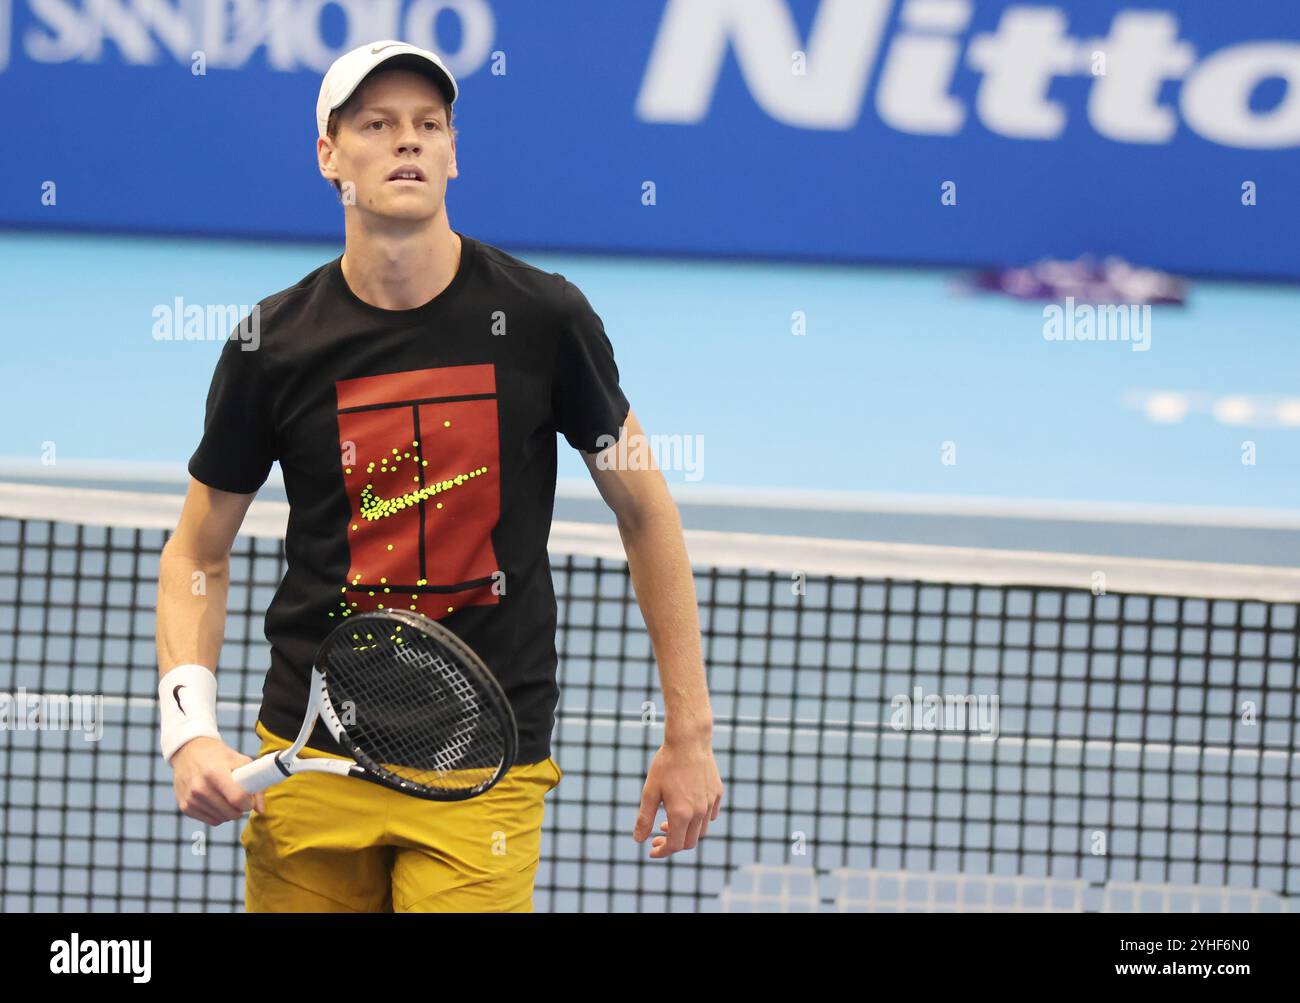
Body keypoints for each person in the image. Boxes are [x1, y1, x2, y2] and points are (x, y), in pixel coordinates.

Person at [154, 40, 723, 913]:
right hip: (313, 750)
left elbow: (646, 511)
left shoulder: (544, 319)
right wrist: (189, 729)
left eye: (429, 124)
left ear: (454, 151)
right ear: (329, 156)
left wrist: (689, 731)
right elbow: (197, 550)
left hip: (483, 763)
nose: (407, 141)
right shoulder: (273, 345)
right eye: (376, 125)